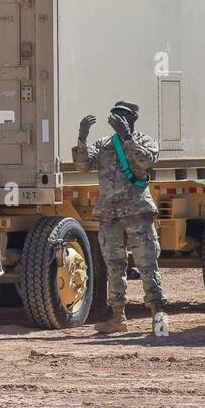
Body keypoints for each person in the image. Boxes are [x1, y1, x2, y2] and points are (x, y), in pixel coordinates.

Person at [74, 101, 166, 335]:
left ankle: (158, 316)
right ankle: (118, 317)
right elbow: (82, 165)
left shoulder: (144, 141)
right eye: (115, 115)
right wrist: (82, 139)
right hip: (110, 215)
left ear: (133, 118)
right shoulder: (105, 144)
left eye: (124, 116)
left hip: (137, 213)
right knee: (114, 267)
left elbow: (145, 161)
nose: (119, 119)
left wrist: (126, 136)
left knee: (147, 264)